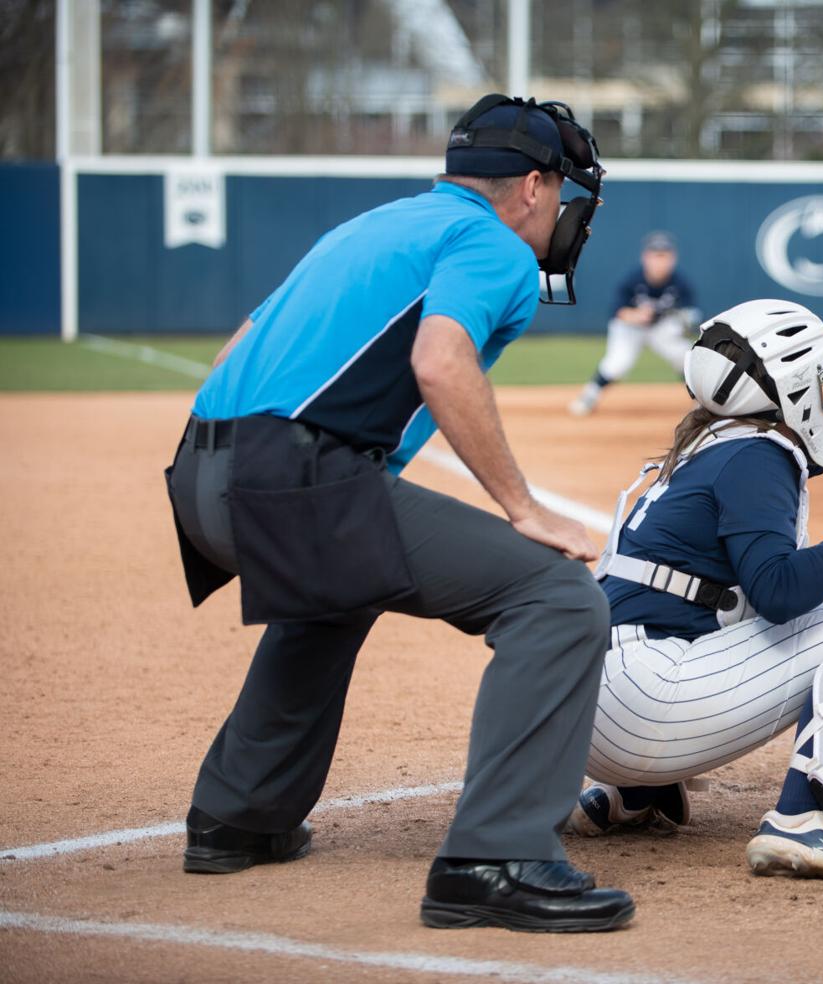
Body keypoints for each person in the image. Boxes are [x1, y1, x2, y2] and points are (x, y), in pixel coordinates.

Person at [164, 94, 636, 933]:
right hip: (287, 481)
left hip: (205, 467)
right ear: (530, 186)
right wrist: (522, 509)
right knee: (559, 601)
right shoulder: (491, 243)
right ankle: (495, 857)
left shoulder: (375, 225)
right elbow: (441, 360)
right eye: (562, 193)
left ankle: (239, 815)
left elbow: (237, 345)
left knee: (335, 589)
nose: (564, 212)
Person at [563, 298, 823, 883]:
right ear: (787, 385)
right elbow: (780, 591)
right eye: (816, 376)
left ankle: (636, 795)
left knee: (707, 610)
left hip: (585, 716)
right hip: (645, 703)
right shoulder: (757, 457)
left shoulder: (718, 441)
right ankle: (807, 817)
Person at [568, 231, 699, 416]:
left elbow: (691, 313)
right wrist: (635, 315)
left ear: (673, 258)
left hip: (660, 328)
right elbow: (616, 311)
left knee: (684, 356)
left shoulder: (680, 282)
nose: (660, 262)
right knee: (617, 363)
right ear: (645, 257)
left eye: (664, 256)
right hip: (630, 327)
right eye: (656, 256)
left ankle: (701, 401)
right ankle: (589, 396)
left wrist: (681, 321)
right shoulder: (632, 279)